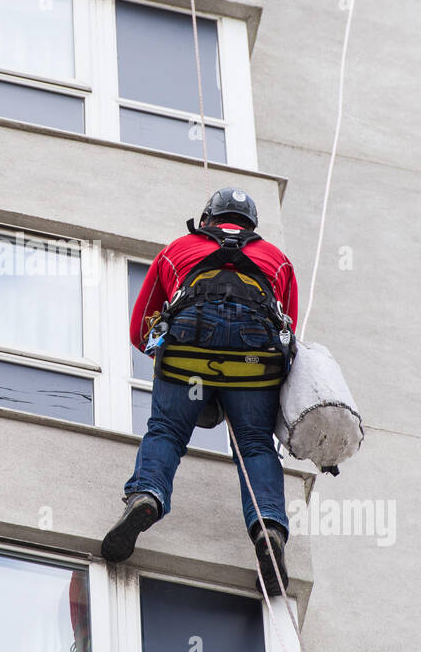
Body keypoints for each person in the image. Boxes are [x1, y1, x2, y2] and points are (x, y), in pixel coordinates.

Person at [101, 187, 299, 597]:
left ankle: (147, 495)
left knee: (167, 431)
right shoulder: (277, 260)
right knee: (255, 444)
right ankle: (268, 528)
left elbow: (141, 328)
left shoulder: (178, 249)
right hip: (253, 364)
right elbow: (289, 332)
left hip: (187, 352)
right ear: (252, 224)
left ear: (207, 218)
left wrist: (177, 364)